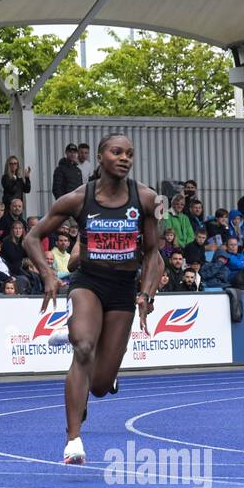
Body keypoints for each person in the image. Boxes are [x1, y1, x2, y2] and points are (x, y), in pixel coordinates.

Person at [25, 133, 161, 466]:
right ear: (100, 157)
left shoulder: (148, 199)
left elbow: (154, 252)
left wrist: (146, 292)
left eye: (130, 153)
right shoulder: (76, 199)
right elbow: (32, 237)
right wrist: (47, 275)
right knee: (82, 347)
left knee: (99, 385)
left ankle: (101, 377)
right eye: (117, 152)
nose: (125, 158)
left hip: (123, 289)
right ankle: (73, 440)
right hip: (88, 282)